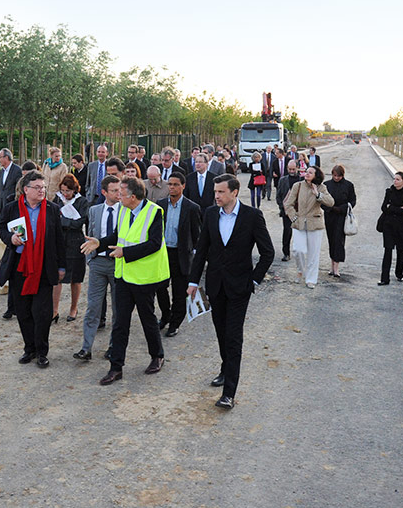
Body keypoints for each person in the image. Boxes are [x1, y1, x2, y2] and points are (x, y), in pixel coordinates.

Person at [187, 174, 275, 409]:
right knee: (221, 332)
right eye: (215, 191)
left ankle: (229, 393)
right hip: (216, 285)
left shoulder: (252, 216)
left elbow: (268, 252)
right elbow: (202, 250)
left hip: (239, 287)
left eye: (221, 192)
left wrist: (253, 280)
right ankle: (226, 369)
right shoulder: (210, 214)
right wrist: (193, 282)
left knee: (234, 337)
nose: (216, 195)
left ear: (234, 192)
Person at [81, 177, 169, 384]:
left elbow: (154, 244)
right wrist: (99, 243)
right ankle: (116, 367)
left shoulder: (155, 212)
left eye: (121, 194)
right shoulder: (123, 209)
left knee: (148, 319)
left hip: (144, 277)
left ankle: (157, 355)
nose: (118, 197)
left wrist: (125, 253)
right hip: (123, 276)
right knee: (120, 323)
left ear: (134, 197)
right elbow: (117, 236)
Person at [0, 171, 66, 368]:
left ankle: (42, 352)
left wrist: (61, 266)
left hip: (44, 266)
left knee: (42, 313)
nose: (41, 191)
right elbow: (1, 229)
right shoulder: (11, 208)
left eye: (43, 187)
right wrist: (10, 238)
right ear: (26, 189)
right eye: (37, 187)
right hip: (20, 266)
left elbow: (59, 240)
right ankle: (30, 349)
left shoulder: (52, 209)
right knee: (23, 311)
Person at [74, 175, 122, 361]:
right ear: (104, 192)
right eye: (114, 191)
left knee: (118, 309)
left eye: (120, 190)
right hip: (98, 264)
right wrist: (90, 260)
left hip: (118, 263)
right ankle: (86, 348)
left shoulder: (126, 211)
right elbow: (90, 234)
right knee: (93, 307)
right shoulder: (94, 210)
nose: (118, 194)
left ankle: (113, 347)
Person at [155, 173, 201, 338]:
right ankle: (166, 315)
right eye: (170, 184)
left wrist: (194, 257)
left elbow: (196, 236)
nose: (172, 187)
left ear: (183, 186)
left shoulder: (192, 208)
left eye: (175, 184)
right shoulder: (160, 205)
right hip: (162, 254)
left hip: (181, 256)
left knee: (179, 292)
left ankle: (175, 323)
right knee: (160, 287)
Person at [284, 166, 334, 288]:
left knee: (313, 254)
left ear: (316, 175)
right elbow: (288, 204)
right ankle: (300, 270)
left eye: (310, 172)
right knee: (298, 250)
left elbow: (331, 202)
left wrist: (318, 194)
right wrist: (293, 217)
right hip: (299, 223)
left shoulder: (321, 187)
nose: (307, 174)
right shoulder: (298, 186)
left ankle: (311, 279)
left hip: (315, 224)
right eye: (306, 172)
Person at [51, 173, 89, 323]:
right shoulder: (57, 200)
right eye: (63, 190)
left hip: (75, 242)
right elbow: (53, 218)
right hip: (59, 242)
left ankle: (73, 308)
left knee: (76, 278)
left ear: (74, 190)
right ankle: (54, 310)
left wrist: (63, 221)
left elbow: (79, 223)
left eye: (68, 191)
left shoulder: (82, 201)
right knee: (57, 277)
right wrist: (66, 221)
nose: (65, 194)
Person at [0, 148, 23, 319]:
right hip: (4, 211)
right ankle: (11, 307)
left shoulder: (17, 171)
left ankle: (18, 307)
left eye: (0, 157)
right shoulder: (2, 172)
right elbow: (0, 191)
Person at [379, 172, 403, 286]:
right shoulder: (389, 191)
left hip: (402, 226)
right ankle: (384, 278)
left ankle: (399, 274)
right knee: (388, 250)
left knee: (401, 251)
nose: (395, 181)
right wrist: (399, 208)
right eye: (394, 179)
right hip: (388, 225)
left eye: (398, 179)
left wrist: (391, 207)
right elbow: (384, 208)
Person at [323, 165, 357, 277]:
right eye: (334, 175)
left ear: (342, 175)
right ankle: (332, 265)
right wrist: (330, 208)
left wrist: (342, 208)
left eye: (339, 176)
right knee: (331, 240)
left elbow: (352, 201)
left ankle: (336, 267)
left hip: (342, 216)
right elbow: (322, 201)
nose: (336, 178)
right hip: (330, 215)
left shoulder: (348, 185)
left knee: (339, 240)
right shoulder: (326, 185)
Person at [276, 160, 302, 261]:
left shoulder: (302, 180)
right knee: (287, 232)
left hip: (299, 212)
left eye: (293, 169)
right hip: (286, 212)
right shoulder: (282, 180)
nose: (291, 171)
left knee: (300, 233)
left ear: (297, 168)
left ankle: (300, 253)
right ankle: (286, 253)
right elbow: (278, 196)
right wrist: (283, 207)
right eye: (290, 169)